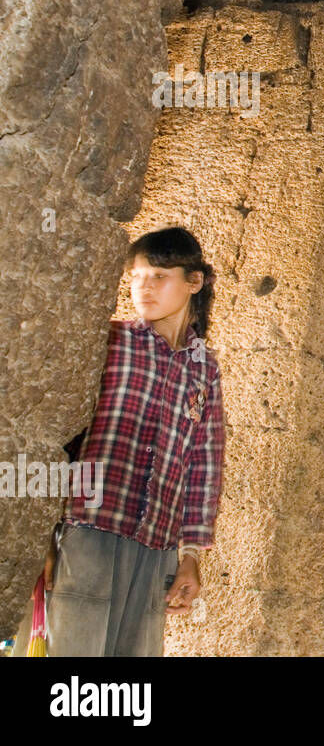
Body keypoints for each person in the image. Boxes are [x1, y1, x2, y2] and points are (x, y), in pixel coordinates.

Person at [46, 227, 225, 657]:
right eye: (137, 276)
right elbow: (60, 435)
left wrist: (192, 555)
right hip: (89, 528)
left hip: (157, 544)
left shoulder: (204, 369)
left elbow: (204, 465)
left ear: (194, 281)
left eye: (159, 276)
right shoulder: (110, 341)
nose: (144, 287)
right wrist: (46, 536)